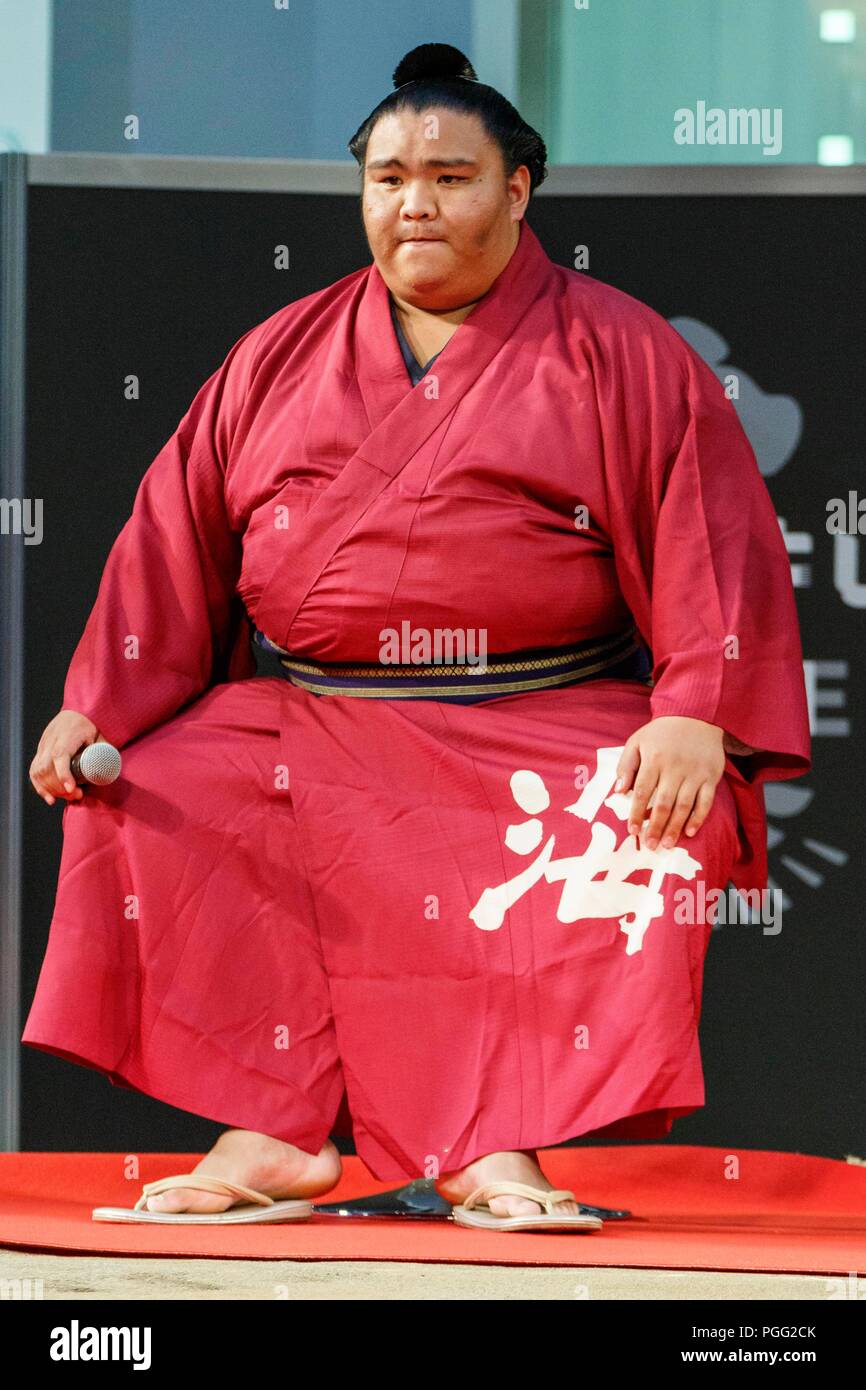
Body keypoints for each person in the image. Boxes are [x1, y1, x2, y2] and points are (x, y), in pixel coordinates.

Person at [24, 43, 810, 1230]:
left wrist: (695, 706)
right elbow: (171, 538)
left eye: (448, 176)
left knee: (639, 807)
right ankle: (276, 1128)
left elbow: (710, 537)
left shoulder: (617, 346)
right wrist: (100, 700)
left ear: (516, 190)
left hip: (535, 720)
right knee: (152, 786)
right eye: (387, 179)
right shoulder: (279, 350)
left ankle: (494, 1143)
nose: (413, 204)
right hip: (314, 712)